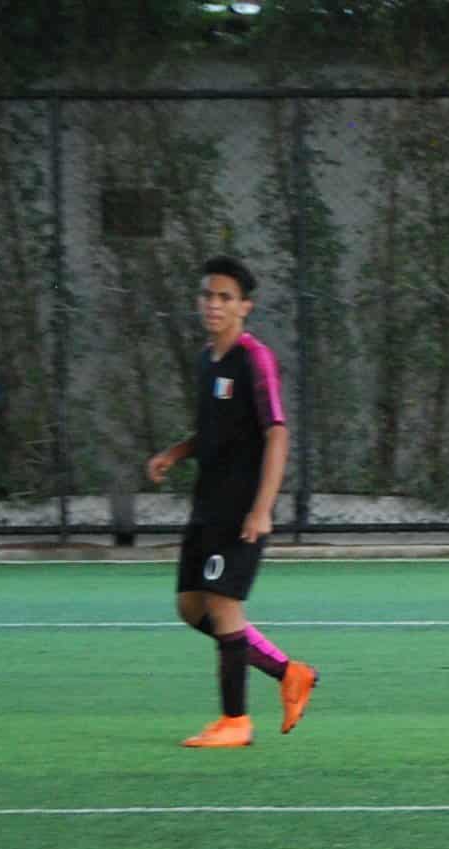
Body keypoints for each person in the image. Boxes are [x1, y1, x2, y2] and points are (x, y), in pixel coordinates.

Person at [145, 255, 318, 748]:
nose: (214, 304)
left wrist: (262, 509)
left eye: (225, 297)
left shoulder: (253, 358)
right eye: (208, 295)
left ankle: (235, 722)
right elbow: (213, 432)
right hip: (206, 505)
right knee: (190, 607)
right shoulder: (207, 360)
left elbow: (277, 435)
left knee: (223, 606)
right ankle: (290, 674)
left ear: (246, 306)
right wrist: (175, 454)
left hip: (241, 509)